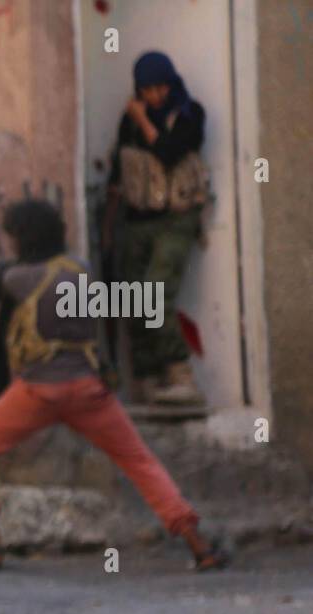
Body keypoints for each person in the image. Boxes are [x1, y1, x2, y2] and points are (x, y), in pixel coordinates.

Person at [0, 199, 226, 572]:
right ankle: (200, 547)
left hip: (36, 391)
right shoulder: (80, 270)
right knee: (140, 462)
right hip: (89, 389)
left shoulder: (15, 279)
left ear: (22, 238)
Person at [104, 51, 208, 406]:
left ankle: (180, 374)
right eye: (148, 89)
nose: (157, 95)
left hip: (176, 216)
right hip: (138, 218)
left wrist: (144, 119)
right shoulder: (128, 122)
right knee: (133, 298)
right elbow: (119, 172)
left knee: (155, 293)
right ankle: (148, 379)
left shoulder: (190, 114)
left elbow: (167, 152)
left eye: (162, 86)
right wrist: (107, 227)